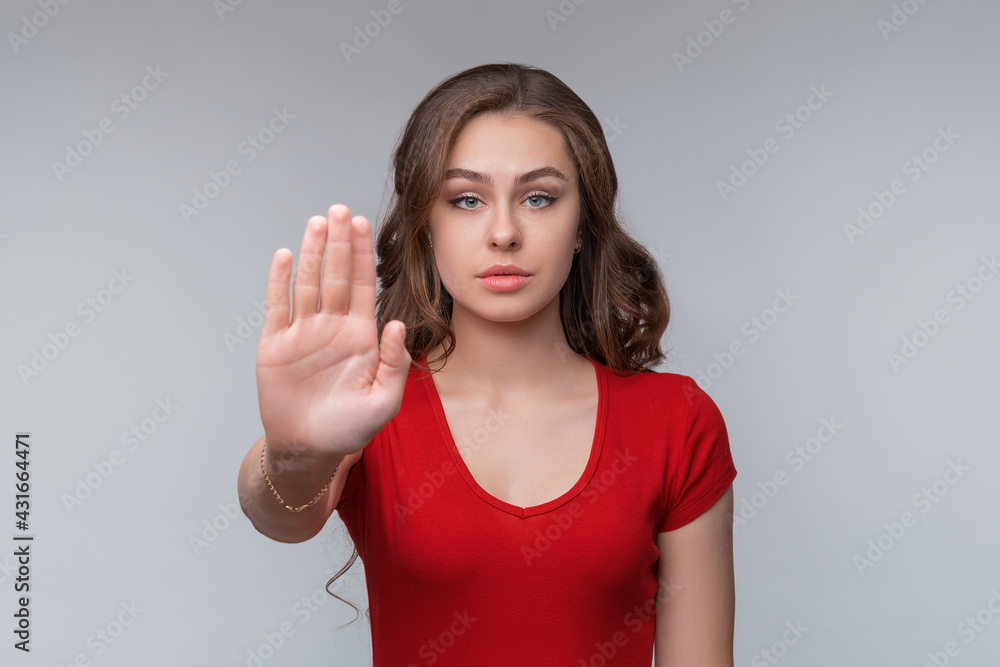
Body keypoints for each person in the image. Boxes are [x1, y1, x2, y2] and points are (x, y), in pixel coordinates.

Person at [237, 62, 737, 666]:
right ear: (426, 226)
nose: (504, 232)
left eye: (538, 198)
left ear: (583, 225)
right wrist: (297, 454)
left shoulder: (676, 421)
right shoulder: (369, 404)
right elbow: (281, 516)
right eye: (466, 200)